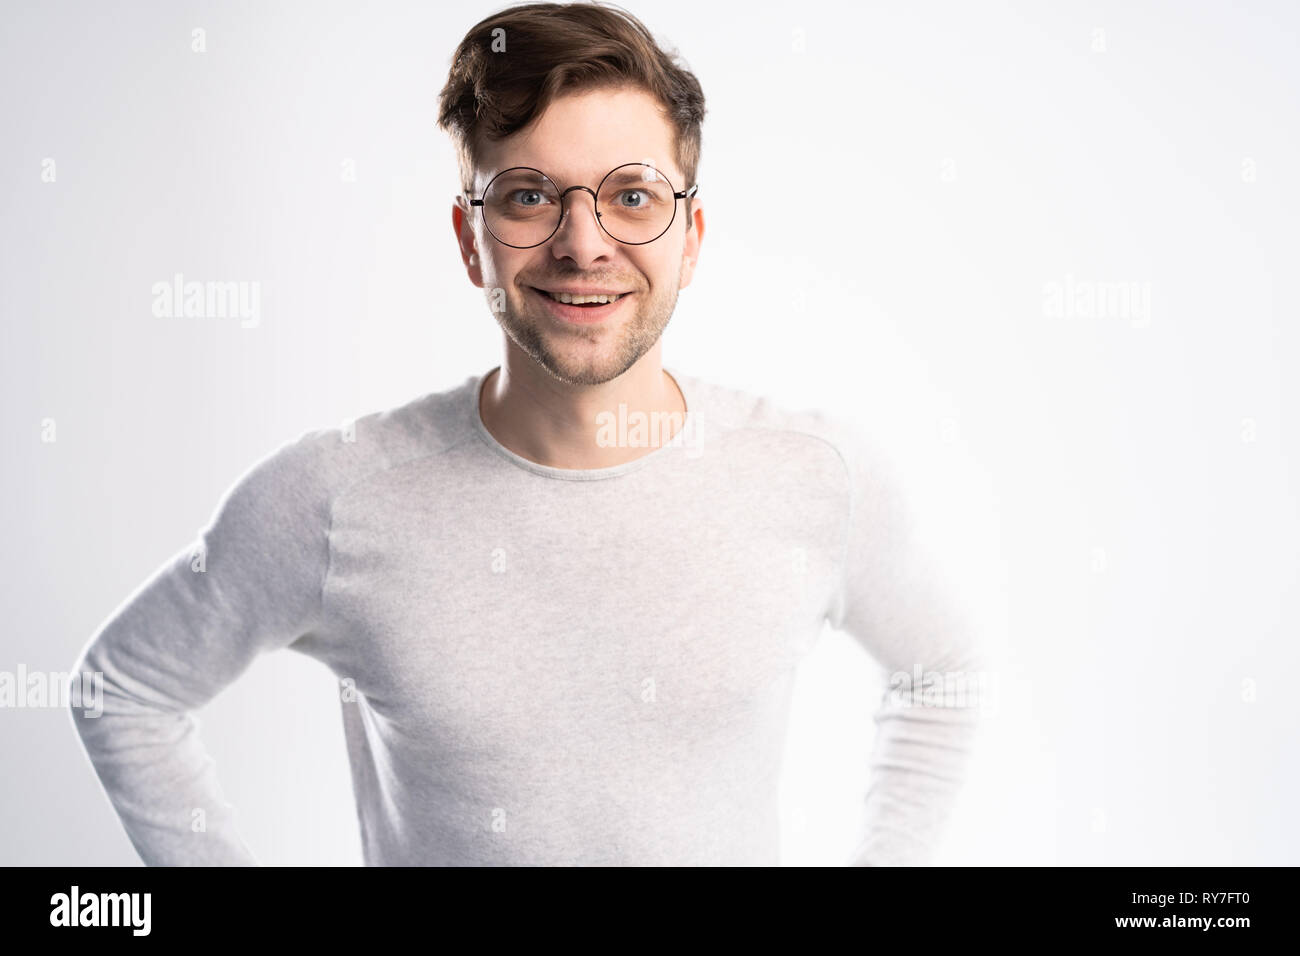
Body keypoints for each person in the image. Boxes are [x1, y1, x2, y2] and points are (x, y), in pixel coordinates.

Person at [69, 0, 985, 866]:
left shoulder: (813, 474)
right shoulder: (334, 498)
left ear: (692, 237)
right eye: (527, 196)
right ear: (471, 243)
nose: (582, 243)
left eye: (631, 196)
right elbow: (123, 690)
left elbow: (940, 673)